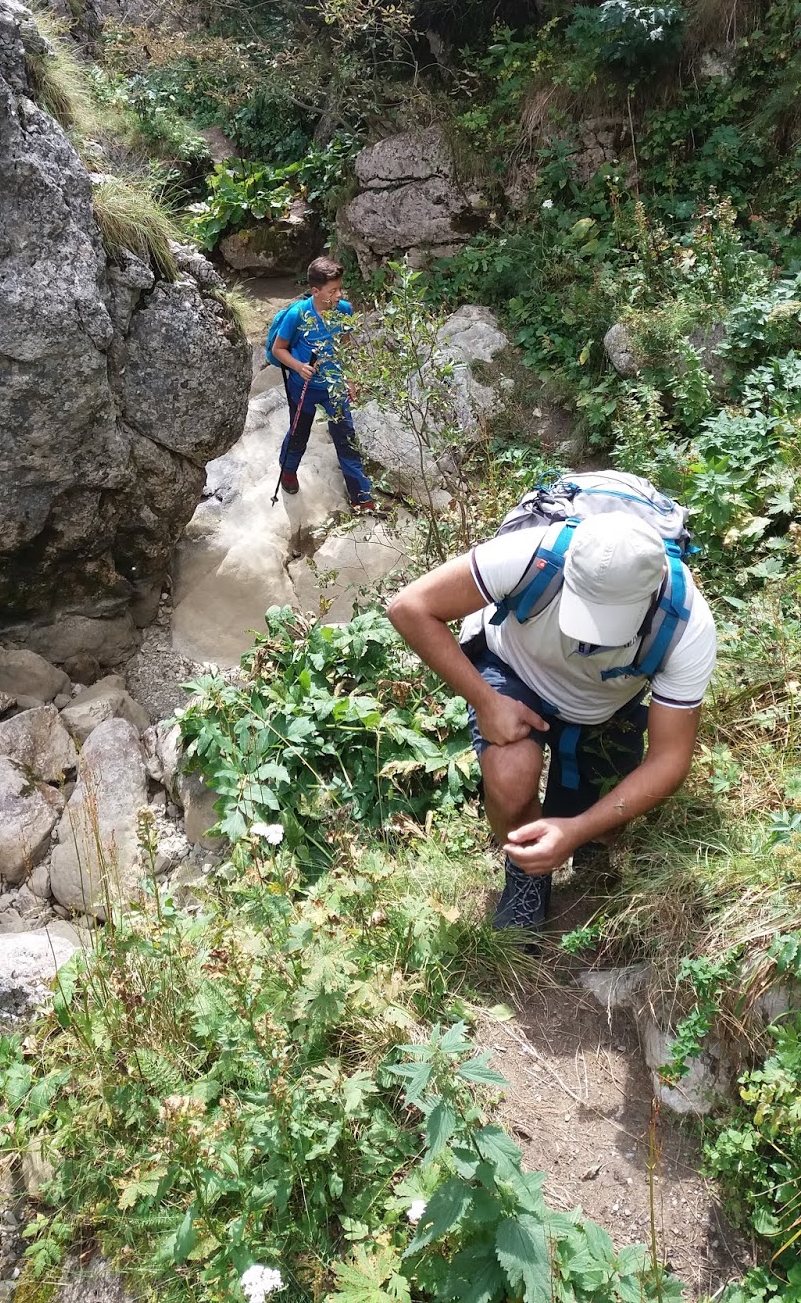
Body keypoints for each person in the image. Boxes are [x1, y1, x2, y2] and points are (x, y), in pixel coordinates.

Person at [387, 504, 717, 930]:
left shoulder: (686, 625)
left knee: (606, 824)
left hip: (608, 703)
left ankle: (584, 841)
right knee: (509, 779)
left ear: (652, 589)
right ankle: (526, 874)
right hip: (514, 668)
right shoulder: (532, 555)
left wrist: (578, 829)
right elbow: (409, 607)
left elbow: (669, 760)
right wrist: (488, 703)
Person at [271, 256, 375, 510]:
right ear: (315, 291)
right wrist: (299, 367)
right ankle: (288, 471)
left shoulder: (344, 310)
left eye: (340, 288)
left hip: (334, 387)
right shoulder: (297, 315)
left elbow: (346, 345)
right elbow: (278, 349)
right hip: (303, 387)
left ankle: (361, 496)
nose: (339, 294)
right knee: (298, 433)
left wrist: (350, 378)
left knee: (346, 437)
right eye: (333, 290)